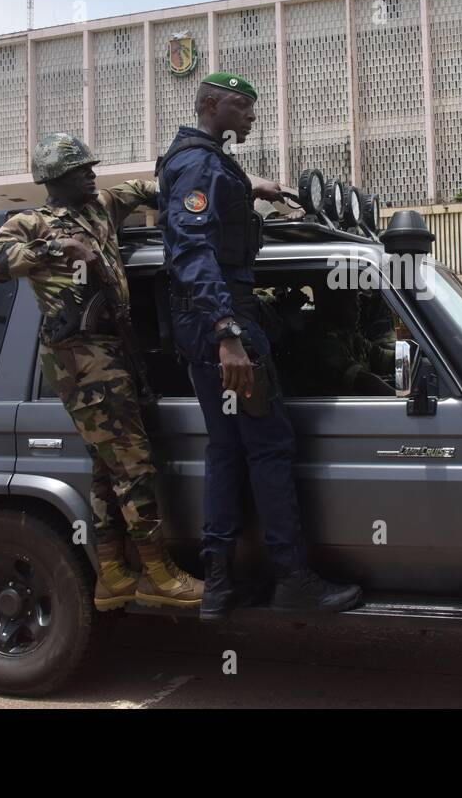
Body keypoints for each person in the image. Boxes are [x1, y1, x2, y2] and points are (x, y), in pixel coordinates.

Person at [158, 71, 362, 620]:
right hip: (224, 320)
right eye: (241, 106)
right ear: (211, 105)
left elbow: (208, 217)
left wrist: (251, 187)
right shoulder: (200, 163)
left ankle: (219, 583)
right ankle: (292, 577)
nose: (251, 115)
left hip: (205, 320)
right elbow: (192, 252)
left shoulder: (202, 159)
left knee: (225, 450)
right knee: (269, 448)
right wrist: (229, 334)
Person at [0, 133, 203, 611]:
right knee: (134, 464)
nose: (92, 174)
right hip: (79, 354)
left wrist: (201, 182)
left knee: (107, 468)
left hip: (113, 344)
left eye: (90, 167)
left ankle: (111, 572)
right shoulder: (32, 221)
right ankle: (158, 573)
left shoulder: (102, 204)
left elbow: (151, 189)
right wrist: (58, 247)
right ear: (56, 179)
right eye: (81, 169)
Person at [306, 288, 395, 396]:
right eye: (353, 304)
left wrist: (407, 357)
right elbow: (364, 381)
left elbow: (381, 357)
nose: (358, 309)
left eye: (358, 304)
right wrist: (400, 397)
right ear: (337, 308)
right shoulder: (325, 344)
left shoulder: (352, 337)